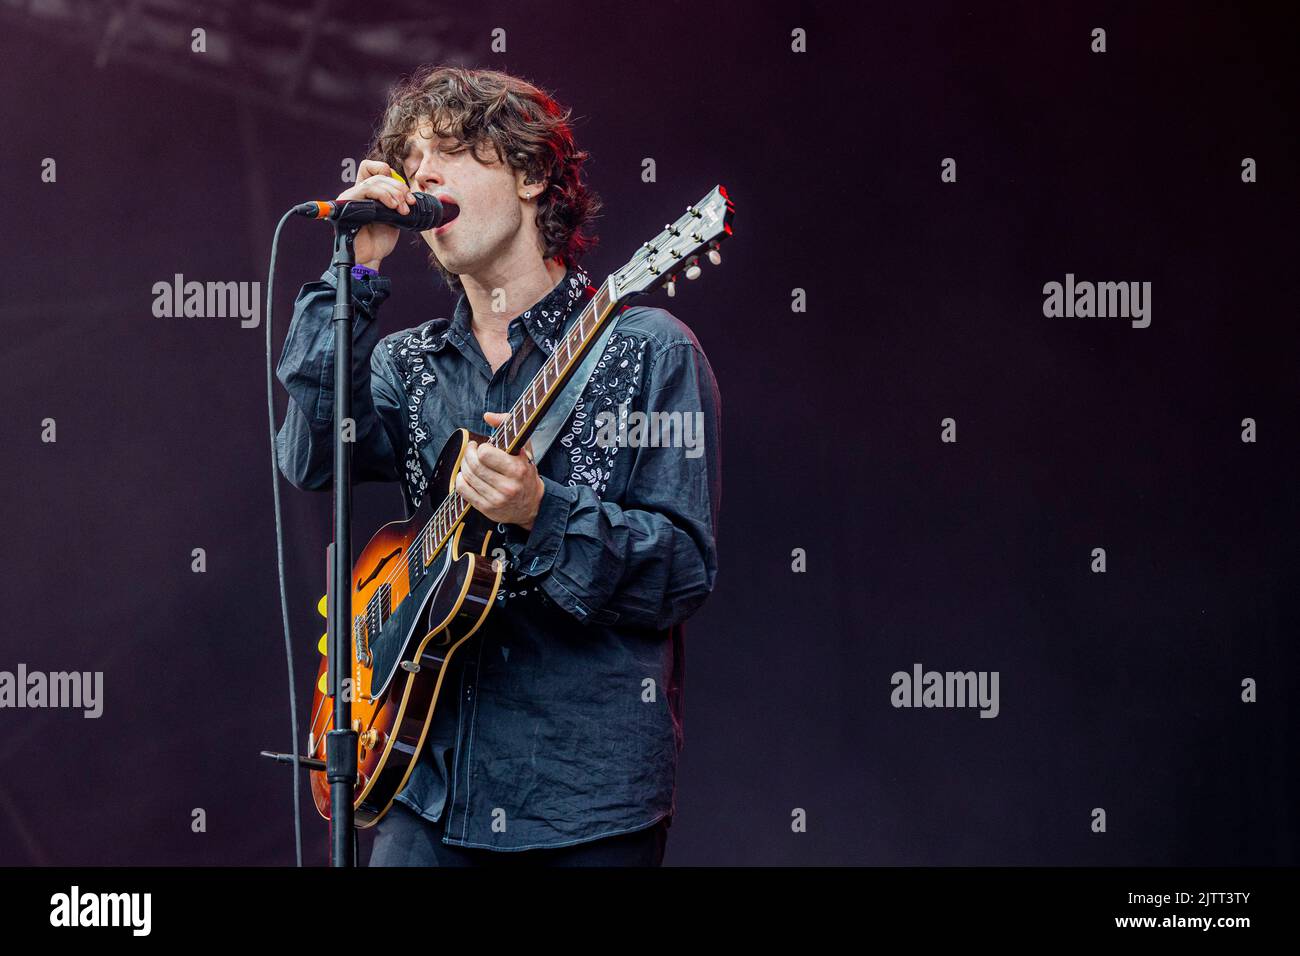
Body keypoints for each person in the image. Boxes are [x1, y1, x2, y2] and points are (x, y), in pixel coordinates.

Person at [275, 66, 722, 866]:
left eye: (450, 152)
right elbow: (309, 455)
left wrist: (541, 512)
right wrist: (355, 268)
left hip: (581, 805)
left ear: (532, 173)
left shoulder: (646, 349)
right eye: (411, 166)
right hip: (424, 783)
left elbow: (682, 570)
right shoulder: (407, 364)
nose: (422, 179)